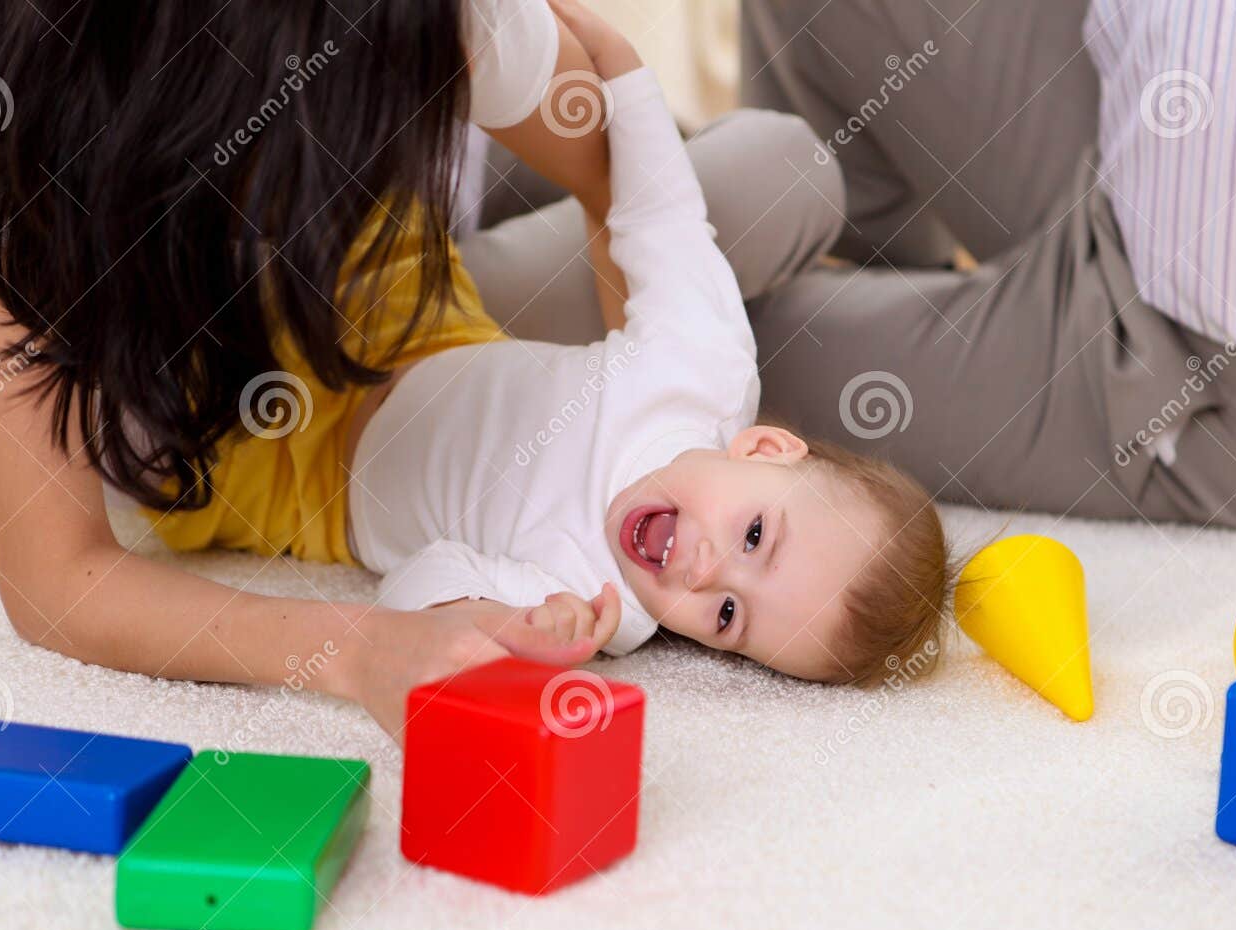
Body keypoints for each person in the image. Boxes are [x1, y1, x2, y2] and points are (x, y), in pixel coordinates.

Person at [0, 0, 840, 736]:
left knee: (781, 170)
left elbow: (617, 175)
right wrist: (359, 648)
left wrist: (625, 434)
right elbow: (57, 579)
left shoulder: (435, 20)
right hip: (238, 401)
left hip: (423, 325)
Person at [740, 0, 1236, 564]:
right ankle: (891, 284)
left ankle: (884, 322)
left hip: (1187, 359)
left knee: (731, 341)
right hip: (1115, 128)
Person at [347, 20, 949, 684]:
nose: (706, 571)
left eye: (727, 616)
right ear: (766, 448)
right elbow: (663, 221)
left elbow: (408, 591)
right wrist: (625, 80)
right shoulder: (704, 368)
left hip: (317, 482)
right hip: (418, 329)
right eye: (753, 536)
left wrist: (497, 620)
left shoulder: (594, 604)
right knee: (341, 141)